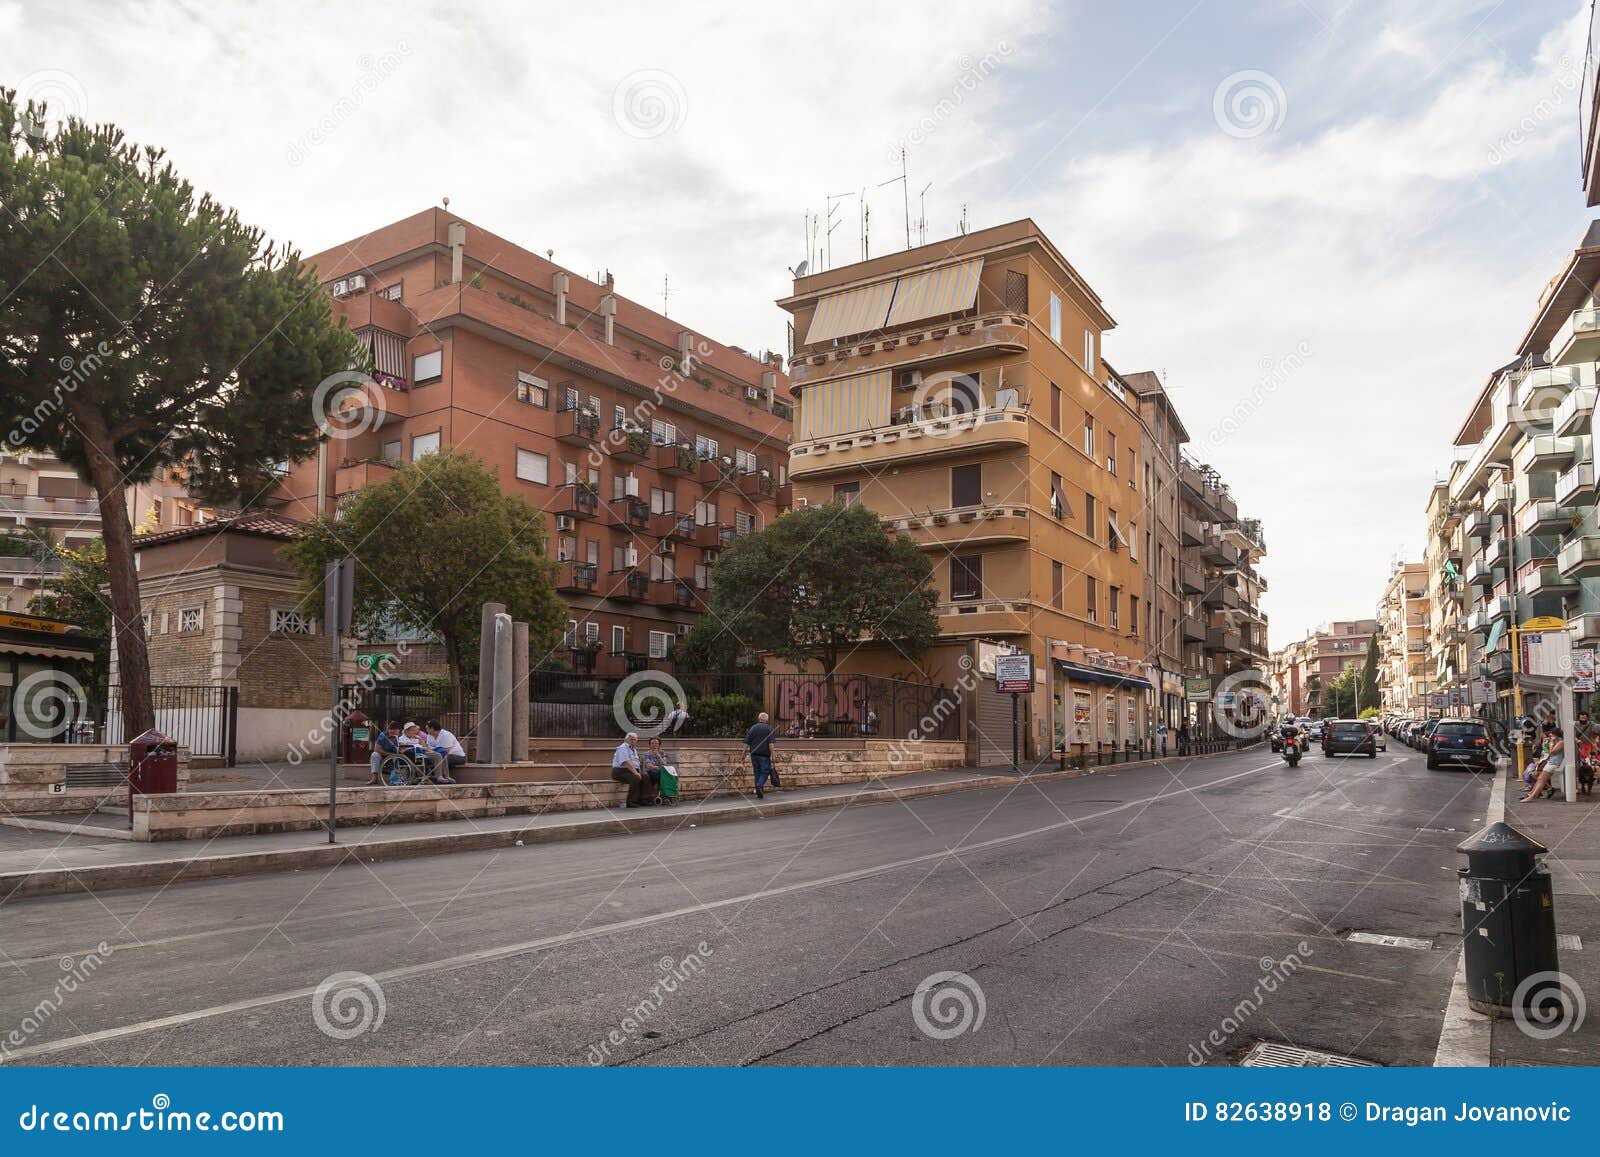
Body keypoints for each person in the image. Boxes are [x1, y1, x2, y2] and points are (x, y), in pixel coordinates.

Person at [1521, 723, 1564, 802]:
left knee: (1541, 779)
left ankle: (1532, 797)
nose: (1550, 736)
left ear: (1556, 735)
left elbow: (1552, 752)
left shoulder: (1561, 742)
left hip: (1554, 763)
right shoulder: (1557, 741)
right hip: (1551, 762)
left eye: (1552, 735)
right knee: (1540, 778)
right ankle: (1532, 794)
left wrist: (1551, 743)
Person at [611, 731, 650, 808]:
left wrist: (638, 772)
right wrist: (636, 772)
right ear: (626, 740)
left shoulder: (633, 749)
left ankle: (643, 800)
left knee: (645, 777)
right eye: (631, 739)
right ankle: (631, 802)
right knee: (635, 778)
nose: (633, 741)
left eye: (635, 740)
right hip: (620, 772)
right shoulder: (623, 748)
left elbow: (635, 763)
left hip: (630, 771)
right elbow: (626, 762)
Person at [744, 711, 777, 799]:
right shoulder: (769, 729)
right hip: (764, 755)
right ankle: (759, 785)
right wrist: (773, 756)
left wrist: (742, 754)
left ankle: (759, 791)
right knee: (765, 772)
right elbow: (771, 744)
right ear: (766, 720)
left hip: (754, 754)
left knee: (757, 772)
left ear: (759, 719)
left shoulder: (753, 728)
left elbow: (747, 743)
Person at [641, 735, 676, 805]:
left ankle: (666, 797)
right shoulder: (646, 754)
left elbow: (665, 764)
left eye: (656, 743)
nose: (654, 745)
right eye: (652, 743)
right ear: (649, 745)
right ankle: (665, 797)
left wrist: (658, 756)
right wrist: (658, 767)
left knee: (664, 775)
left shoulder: (663, 753)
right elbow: (648, 765)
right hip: (651, 773)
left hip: (661, 773)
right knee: (662, 775)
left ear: (659, 744)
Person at [368, 719, 403, 785]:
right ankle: (374, 778)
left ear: (398, 730)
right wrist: (389, 754)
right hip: (383, 755)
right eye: (391, 731)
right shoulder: (383, 735)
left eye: (395, 731)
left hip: (397, 756)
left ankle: (397, 778)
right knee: (375, 755)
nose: (392, 733)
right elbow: (377, 749)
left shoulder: (401, 736)